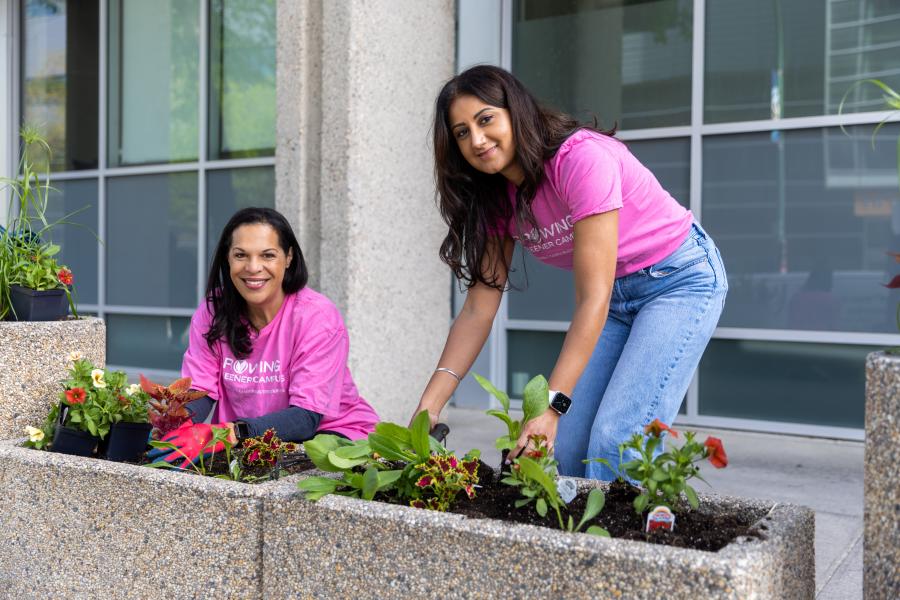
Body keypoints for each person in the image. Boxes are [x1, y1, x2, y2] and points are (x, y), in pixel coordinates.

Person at [411, 65, 728, 481]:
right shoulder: (495, 197)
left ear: (515, 111)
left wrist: (551, 407)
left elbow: (591, 298)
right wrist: (429, 406)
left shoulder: (581, 159)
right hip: (616, 298)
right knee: (569, 452)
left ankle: (630, 545)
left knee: (617, 441)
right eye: (462, 132)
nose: (477, 139)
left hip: (677, 281)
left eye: (485, 119)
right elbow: (477, 309)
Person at [150, 207, 378, 467]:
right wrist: (176, 421)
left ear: (289, 257)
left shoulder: (316, 317)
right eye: (241, 255)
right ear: (227, 258)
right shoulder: (213, 311)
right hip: (253, 440)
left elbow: (305, 419)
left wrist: (227, 432)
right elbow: (200, 391)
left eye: (268, 255)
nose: (253, 267)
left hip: (334, 438)